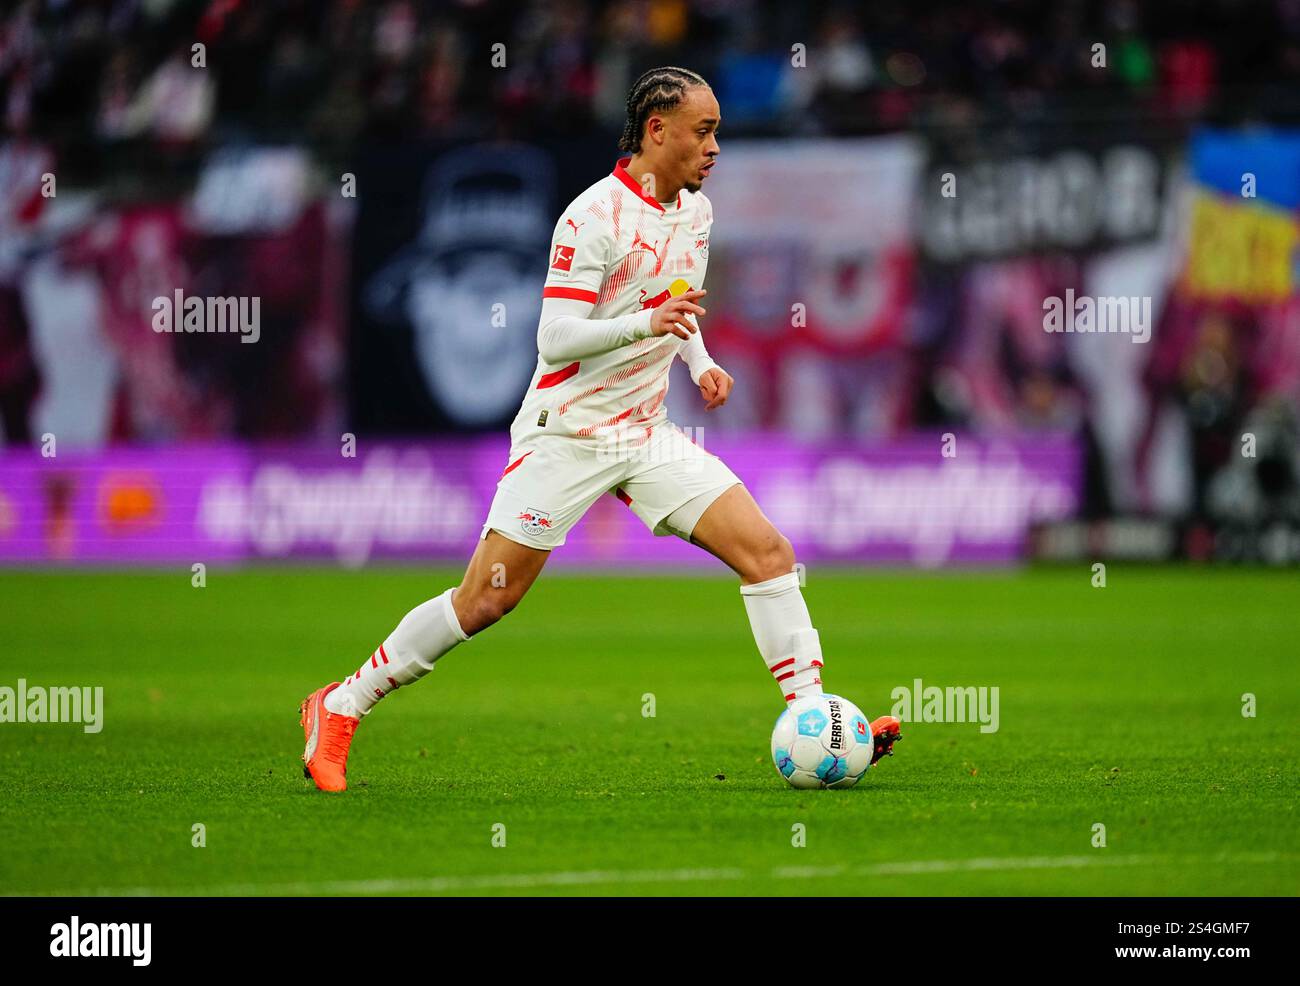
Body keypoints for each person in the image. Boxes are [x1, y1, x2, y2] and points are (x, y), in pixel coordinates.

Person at [300, 66, 901, 791]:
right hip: (567, 432)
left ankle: (816, 719)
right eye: (703, 131)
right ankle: (340, 704)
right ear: (657, 130)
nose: (715, 148)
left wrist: (700, 361)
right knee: (487, 598)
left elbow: (677, 301)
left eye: (717, 133)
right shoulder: (593, 218)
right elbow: (555, 337)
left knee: (769, 553)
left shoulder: (695, 213)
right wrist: (648, 323)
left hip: (641, 432)